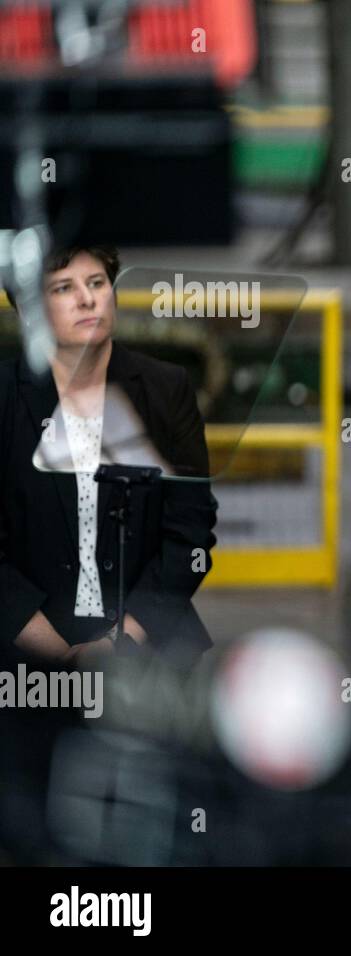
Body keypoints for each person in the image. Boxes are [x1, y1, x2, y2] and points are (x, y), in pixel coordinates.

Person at [0, 244, 218, 673]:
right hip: (22, 640)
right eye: (64, 288)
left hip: (145, 636)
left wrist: (122, 641)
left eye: (97, 283)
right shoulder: (4, 396)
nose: (88, 298)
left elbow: (190, 534)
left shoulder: (166, 388)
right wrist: (49, 650)